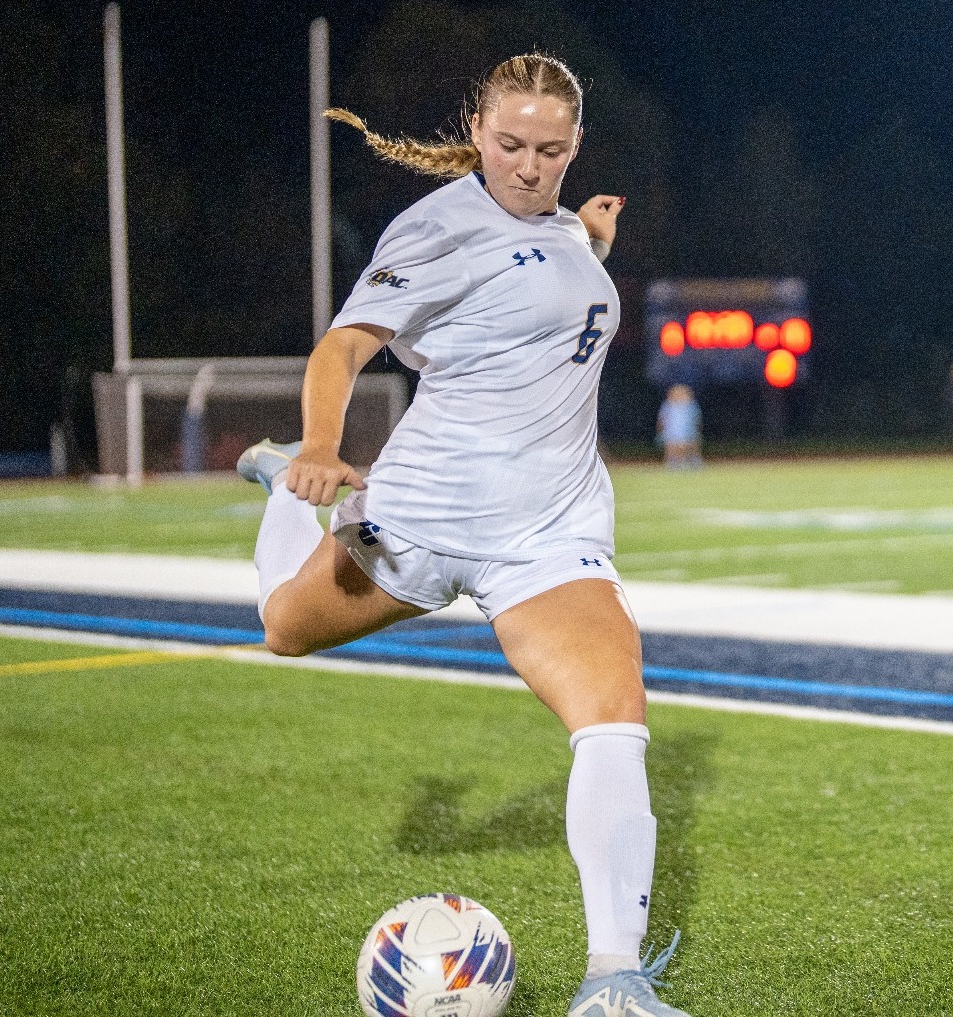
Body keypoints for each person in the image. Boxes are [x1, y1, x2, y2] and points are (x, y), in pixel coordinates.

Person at [235, 54, 688, 1017]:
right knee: (282, 625)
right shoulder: (435, 226)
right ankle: (279, 484)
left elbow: (538, 296)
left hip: (548, 535)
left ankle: (612, 981)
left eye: (551, 151)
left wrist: (590, 241)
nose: (529, 166)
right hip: (420, 522)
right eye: (512, 145)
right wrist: (318, 446)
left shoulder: (566, 225)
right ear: (478, 132)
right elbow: (343, 345)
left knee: (614, 716)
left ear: (575, 148)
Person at [656, 384, 702, 469]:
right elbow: (662, 419)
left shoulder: (691, 405)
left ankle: (693, 463)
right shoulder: (668, 405)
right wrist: (660, 430)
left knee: (689, 446)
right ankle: (672, 464)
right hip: (672, 430)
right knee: (671, 447)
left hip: (688, 430)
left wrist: (697, 430)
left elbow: (697, 418)